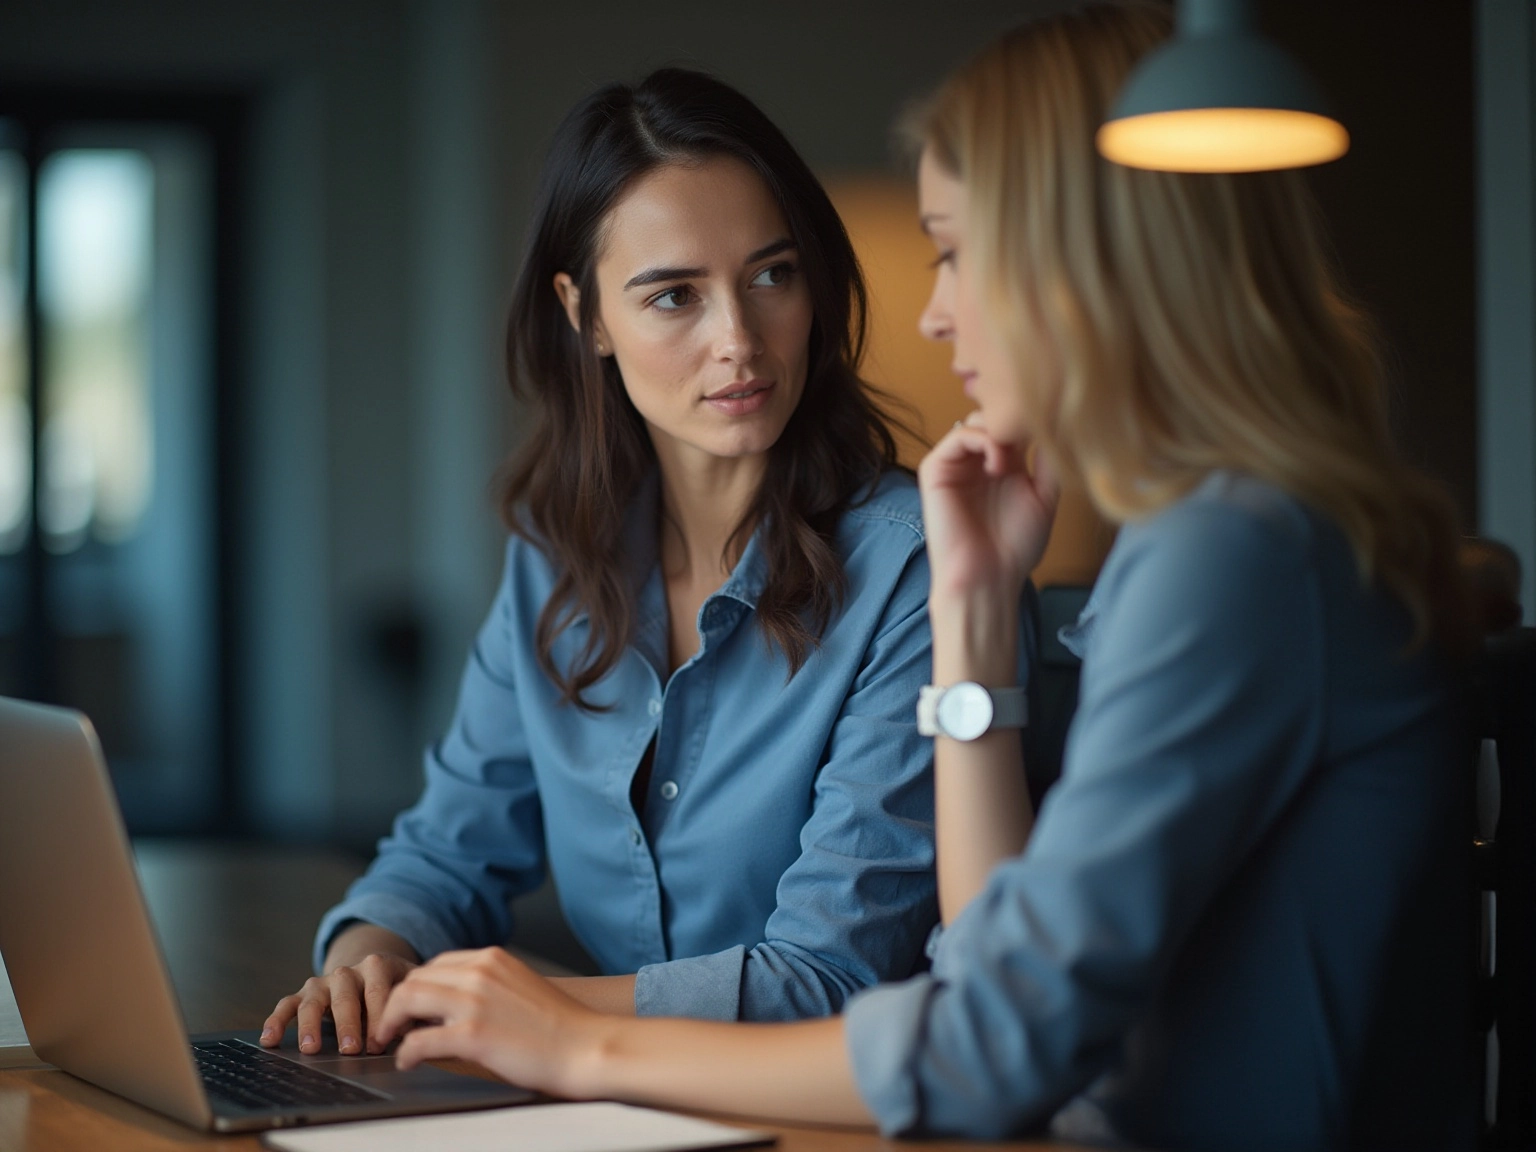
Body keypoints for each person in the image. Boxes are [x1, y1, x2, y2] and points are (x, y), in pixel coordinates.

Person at [371, 6, 1476, 1150]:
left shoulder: (1234, 555)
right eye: (672, 294)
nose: (935, 311)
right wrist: (975, 612)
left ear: (1085, 258)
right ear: (582, 315)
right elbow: (992, 967)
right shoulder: (1196, 540)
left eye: (952, 250)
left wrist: (573, 1043)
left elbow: (990, 1045)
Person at [261, 68, 993, 1057]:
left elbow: (833, 974)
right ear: (587, 314)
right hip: (613, 1100)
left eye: (772, 274)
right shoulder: (554, 559)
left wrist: (532, 1012)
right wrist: (364, 962)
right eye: (674, 296)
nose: (739, 340)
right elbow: (446, 852)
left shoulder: (913, 568)